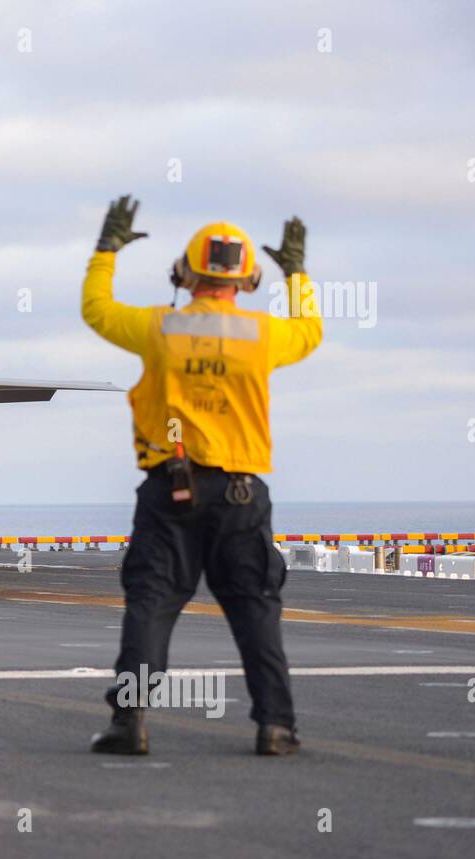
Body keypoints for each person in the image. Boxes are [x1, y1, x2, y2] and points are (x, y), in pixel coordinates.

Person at [80, 195, 322, 756]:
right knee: (255, 606)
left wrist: (106, 251)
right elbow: (309, 331)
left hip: (172, 489)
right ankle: (275, 726)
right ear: (248, 279)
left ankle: (131, 722)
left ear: (182, 275)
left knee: (152, 601)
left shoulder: (159, 329)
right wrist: (299, 273)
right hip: (241, 494)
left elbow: (97, 309)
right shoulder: (264, 335)